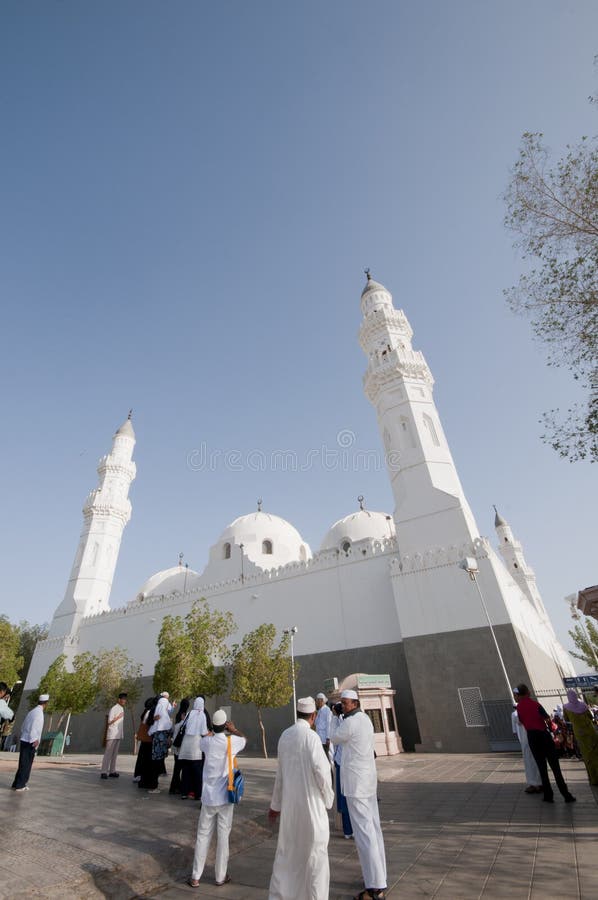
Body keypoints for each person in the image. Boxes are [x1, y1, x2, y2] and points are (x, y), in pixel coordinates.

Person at [268, 697, 335, 900]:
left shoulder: (284, 736)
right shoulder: (312, 738)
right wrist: (328, 799)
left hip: (290, 811)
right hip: (312, 809)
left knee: (288, 858)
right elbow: (323, 773)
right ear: (313, 716)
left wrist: (275, 806)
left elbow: (280, 776)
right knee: (316, 861)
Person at [330, 689, 387, 900]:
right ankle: (379, 877)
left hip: (356, 786)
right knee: (373, 830)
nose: (342, 706)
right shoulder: (365, 720)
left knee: (364, 835)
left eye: (344, 703)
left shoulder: (349, 723)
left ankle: (374, 888)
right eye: (341, 703)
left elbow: (333, 737)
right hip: (368, 783)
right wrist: (341, 715)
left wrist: (336, 717)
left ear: (354, 703)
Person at [188, 710, 246, 888]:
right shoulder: (232, 741)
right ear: (225, 725)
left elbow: (204, 738)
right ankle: (220, 877)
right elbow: (244, 739)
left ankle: (195, 876)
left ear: (212, 725)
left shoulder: (206, 742)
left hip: (208, 798)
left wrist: (213, 731)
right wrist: (234, 729)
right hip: (225, 798)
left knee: (202, 836)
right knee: (223, 838)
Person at [515, 683, 575, 804]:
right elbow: (548, 719)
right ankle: (566, 795)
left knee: (542, 768)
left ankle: (548, 795)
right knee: (555, 768)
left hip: (532, 737)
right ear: (528, 693)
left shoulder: (519, 708)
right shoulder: (536, 704)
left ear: (518, 695)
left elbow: (521, 721)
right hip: (544, 736)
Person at [11, 694, 50, 791]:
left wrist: (25, 734)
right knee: (26, 764)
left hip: (24, 739)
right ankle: (20, 785)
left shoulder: (32, 712)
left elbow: (23, 726)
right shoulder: (39, 714)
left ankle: (17, 783)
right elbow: (34, 728)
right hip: (30, 741)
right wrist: (34, 740)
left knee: (22, 763)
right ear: (46, 703)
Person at [563, 689, 598, 785]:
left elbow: (566, 719)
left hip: (580, 734)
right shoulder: (583, 705)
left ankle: (594, 780)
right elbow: (590, 717)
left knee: (587, 756)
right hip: (590, 732)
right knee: (596, 754)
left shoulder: (566, 707)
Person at [511, 692, 542, 793]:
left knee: (531, 761)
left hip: (528, 738)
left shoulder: (520, 710)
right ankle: (539, 783)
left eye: (516, 695)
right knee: (536, 760)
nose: (515, 698)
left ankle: (534, 783)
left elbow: (519, 721)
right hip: (534, 737)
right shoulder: (533, 705)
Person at [180, 696, 208, 800]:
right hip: (196, 745)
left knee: (186, 771)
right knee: (197, 772)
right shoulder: (202, 715)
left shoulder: (189, 713)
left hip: (186, 744)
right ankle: (198, 794)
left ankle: (184, 792)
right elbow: (204, 732)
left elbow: (184, 726)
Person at [333, 702, 354, 838]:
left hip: (345, 764)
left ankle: (349, 830)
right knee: (347, 798)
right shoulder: (351, 721)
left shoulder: (344, 722)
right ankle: (349, 829)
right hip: (345, 763)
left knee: (346, 797)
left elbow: (334, 739)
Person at [148, 691, 174, 791]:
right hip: (161, 749)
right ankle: (154, 784)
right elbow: (170, 730)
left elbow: (151, 731)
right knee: (158, 764)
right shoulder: (166, 719)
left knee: (154, 764)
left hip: (155, 748)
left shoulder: (157, 716)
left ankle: (153, 784)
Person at [100, 692, 127, 779]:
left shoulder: (122, 709)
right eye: (123, 699)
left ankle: (112, 771)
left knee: (115, 754)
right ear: (119, 700)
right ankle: (104, 771)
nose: (124, 701)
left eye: (125, 699)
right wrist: (118, 717)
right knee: (108, 753)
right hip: (112, 734)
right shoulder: (114, 708)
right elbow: (109, 721)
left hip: (118, 734)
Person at [169, 698, 190, 794]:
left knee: (176, 769)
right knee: (184, 769)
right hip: (183, 747)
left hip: (176, 746)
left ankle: (174, 787)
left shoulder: (178, 715)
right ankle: (182, 787)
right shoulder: (186, 716)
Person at [315, 692, 332, 757]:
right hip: (319, 736)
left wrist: (328, 737)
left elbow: (329, 724)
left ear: (321, 700)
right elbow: (316, 723)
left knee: (325, 755)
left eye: (317, 700)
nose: (316, 702)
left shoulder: (327, 710)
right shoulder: (319, 710)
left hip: (324, 738)